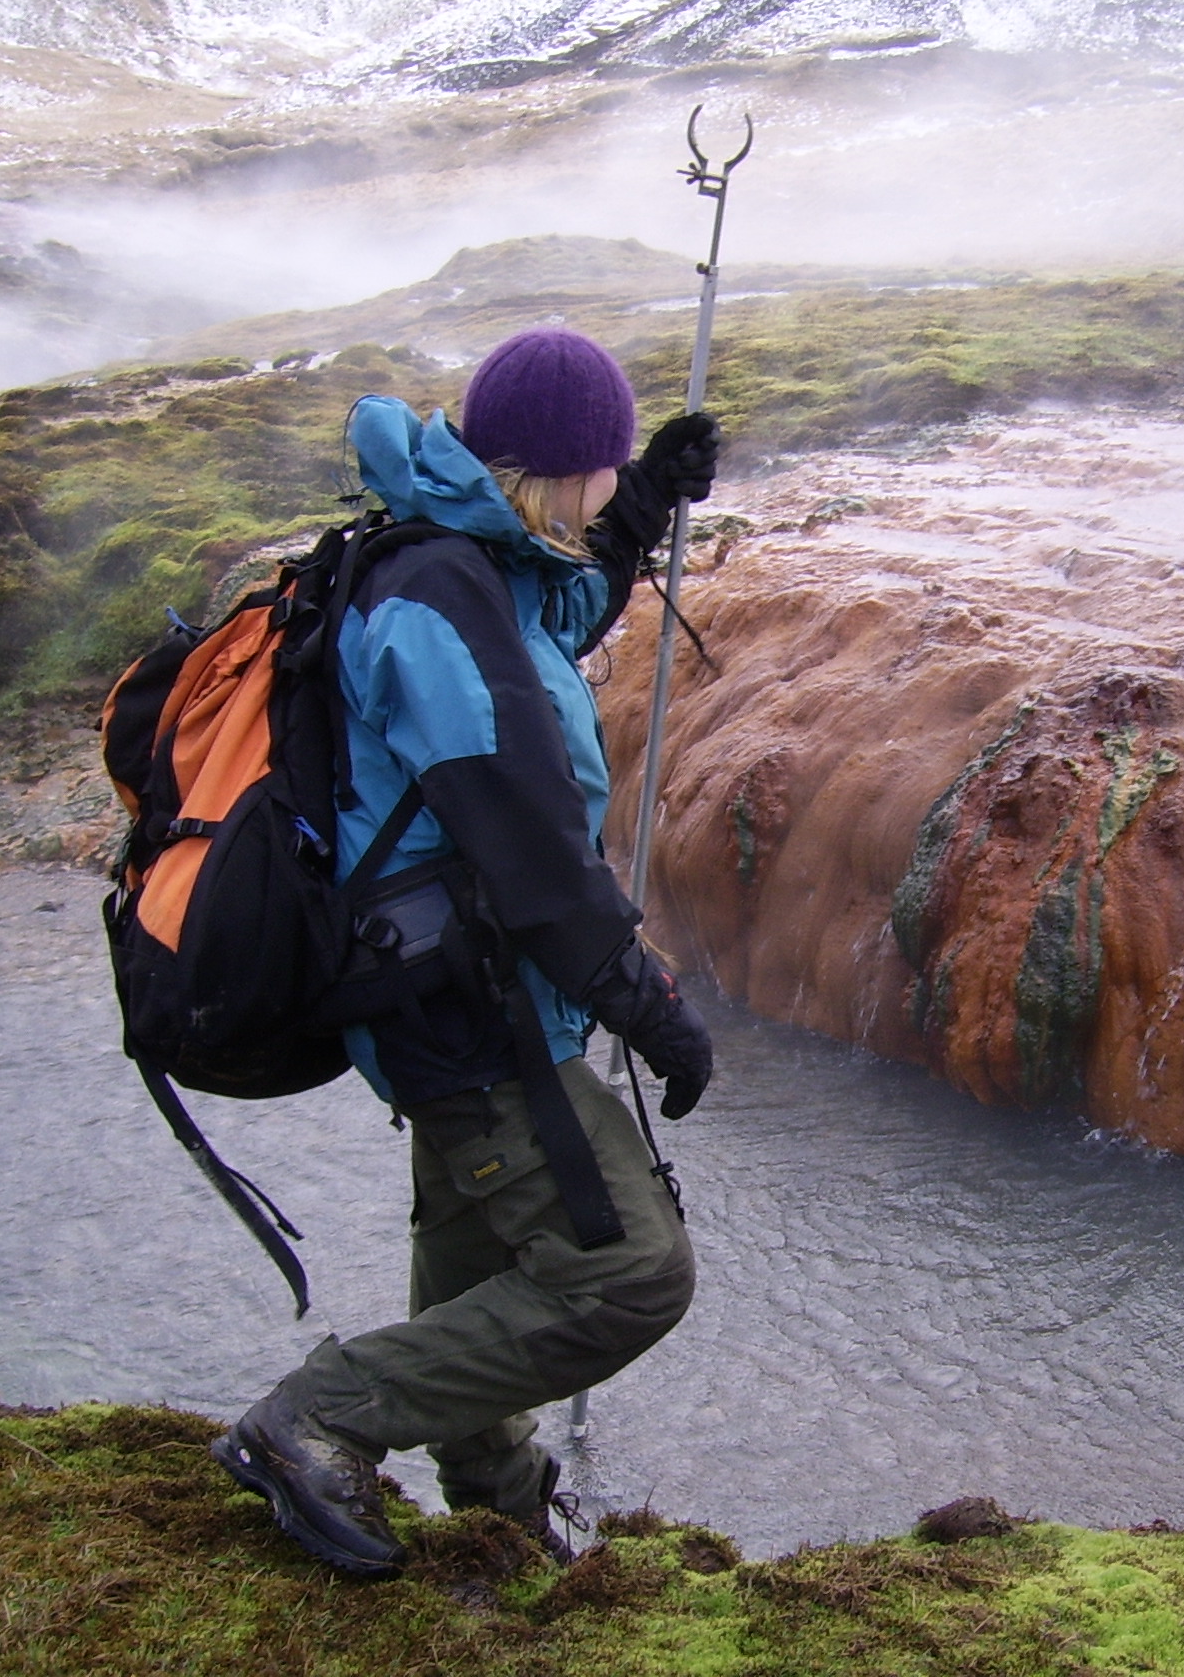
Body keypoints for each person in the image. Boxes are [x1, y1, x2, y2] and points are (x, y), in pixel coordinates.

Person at [210, 327, 722, 1578]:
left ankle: (496, 1504)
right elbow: (531, 852)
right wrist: (647, 1003)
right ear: (553, 473)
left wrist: (651, 495)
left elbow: (556, 608)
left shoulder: (465, 558)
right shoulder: (438, 599)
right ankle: (318, 1419)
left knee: (481, 1258)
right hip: (471, 1009)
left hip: (436, 993)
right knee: (627, 1274)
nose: (608, 488)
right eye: (604, 466)